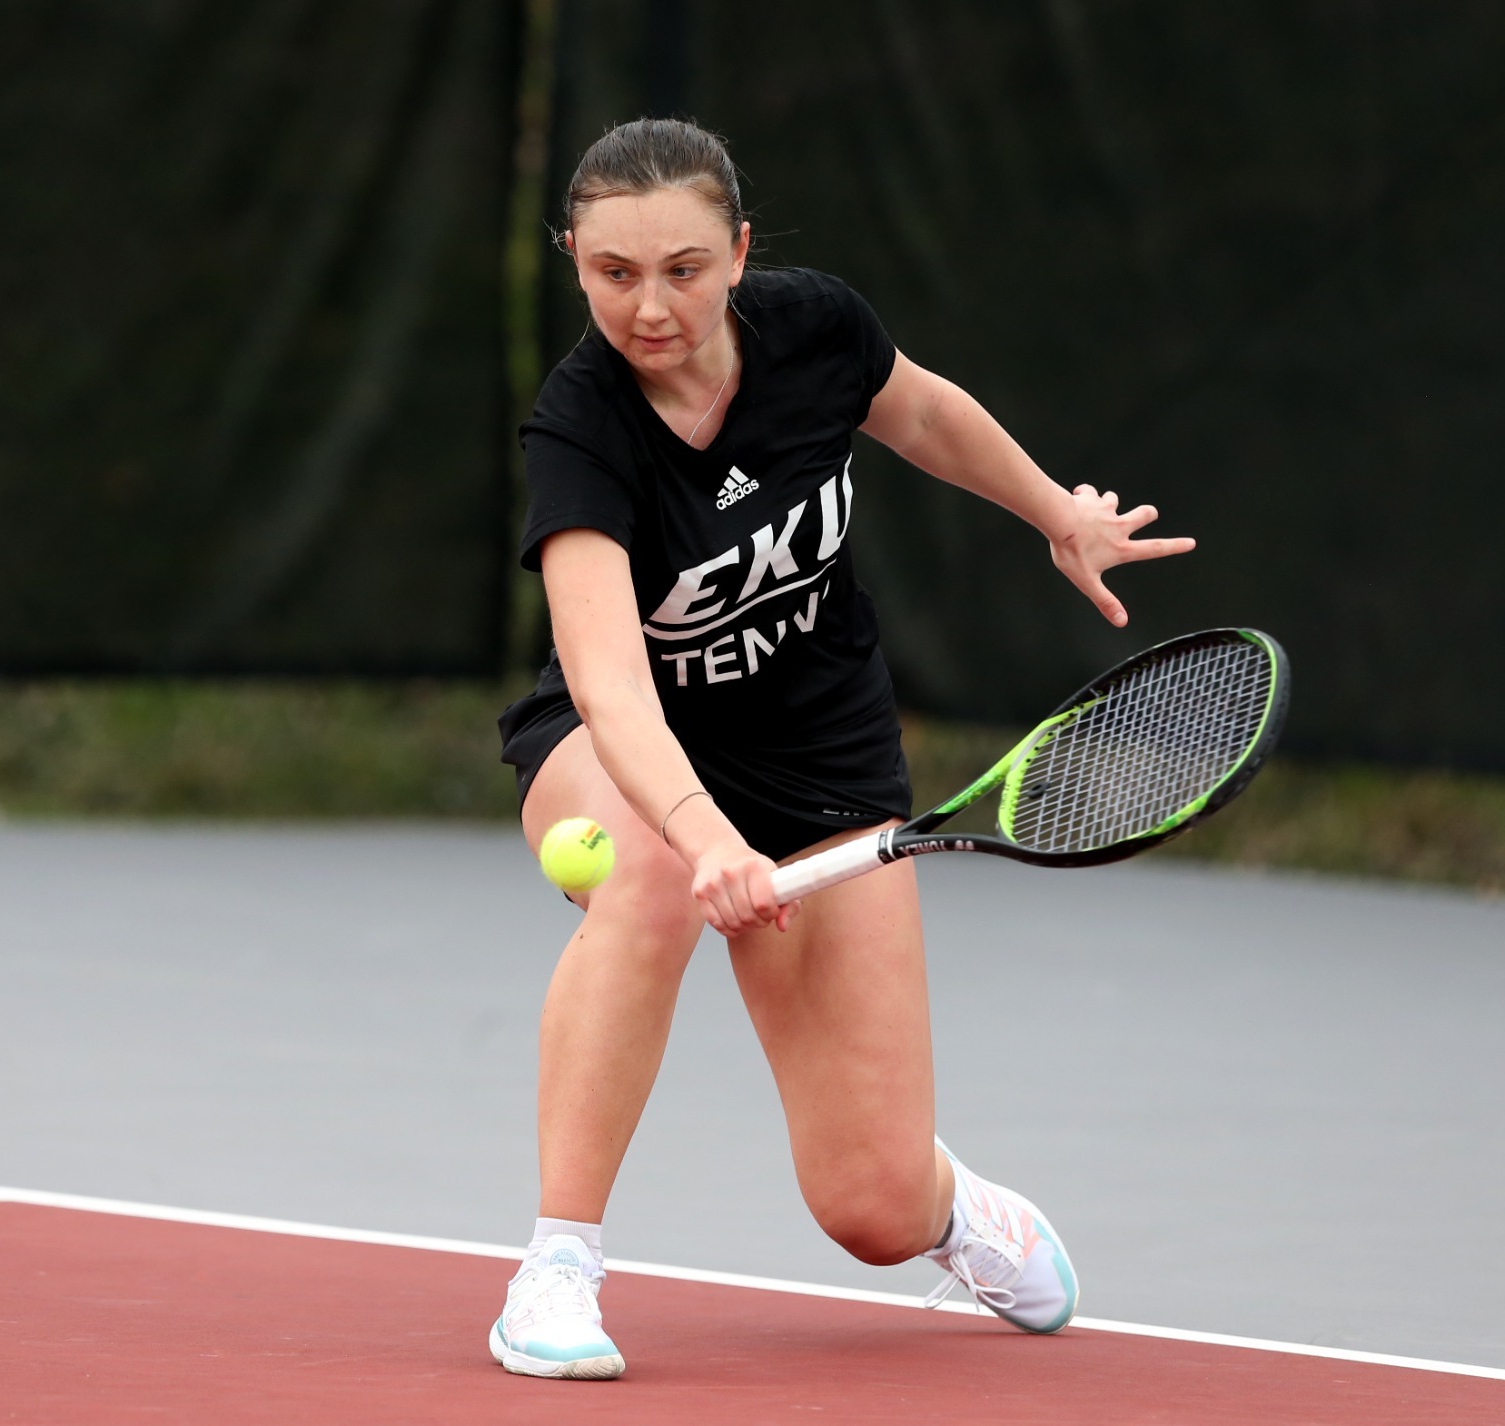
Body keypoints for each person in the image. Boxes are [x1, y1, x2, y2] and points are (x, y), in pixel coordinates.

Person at [490, 118, 1195, 1381]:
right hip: (624, 752)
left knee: (868, 1204)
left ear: (737, 252)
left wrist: (1055, 515)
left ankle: (948, 1208)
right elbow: (608, 685)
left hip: (821, 757)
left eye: (683, 269)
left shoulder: (812, 327)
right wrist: (701, 836)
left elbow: (919, 413)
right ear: (576, 263)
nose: (648, 307)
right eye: (612, 273)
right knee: (643, 876)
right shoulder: (579, 429)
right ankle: (556, 1262)